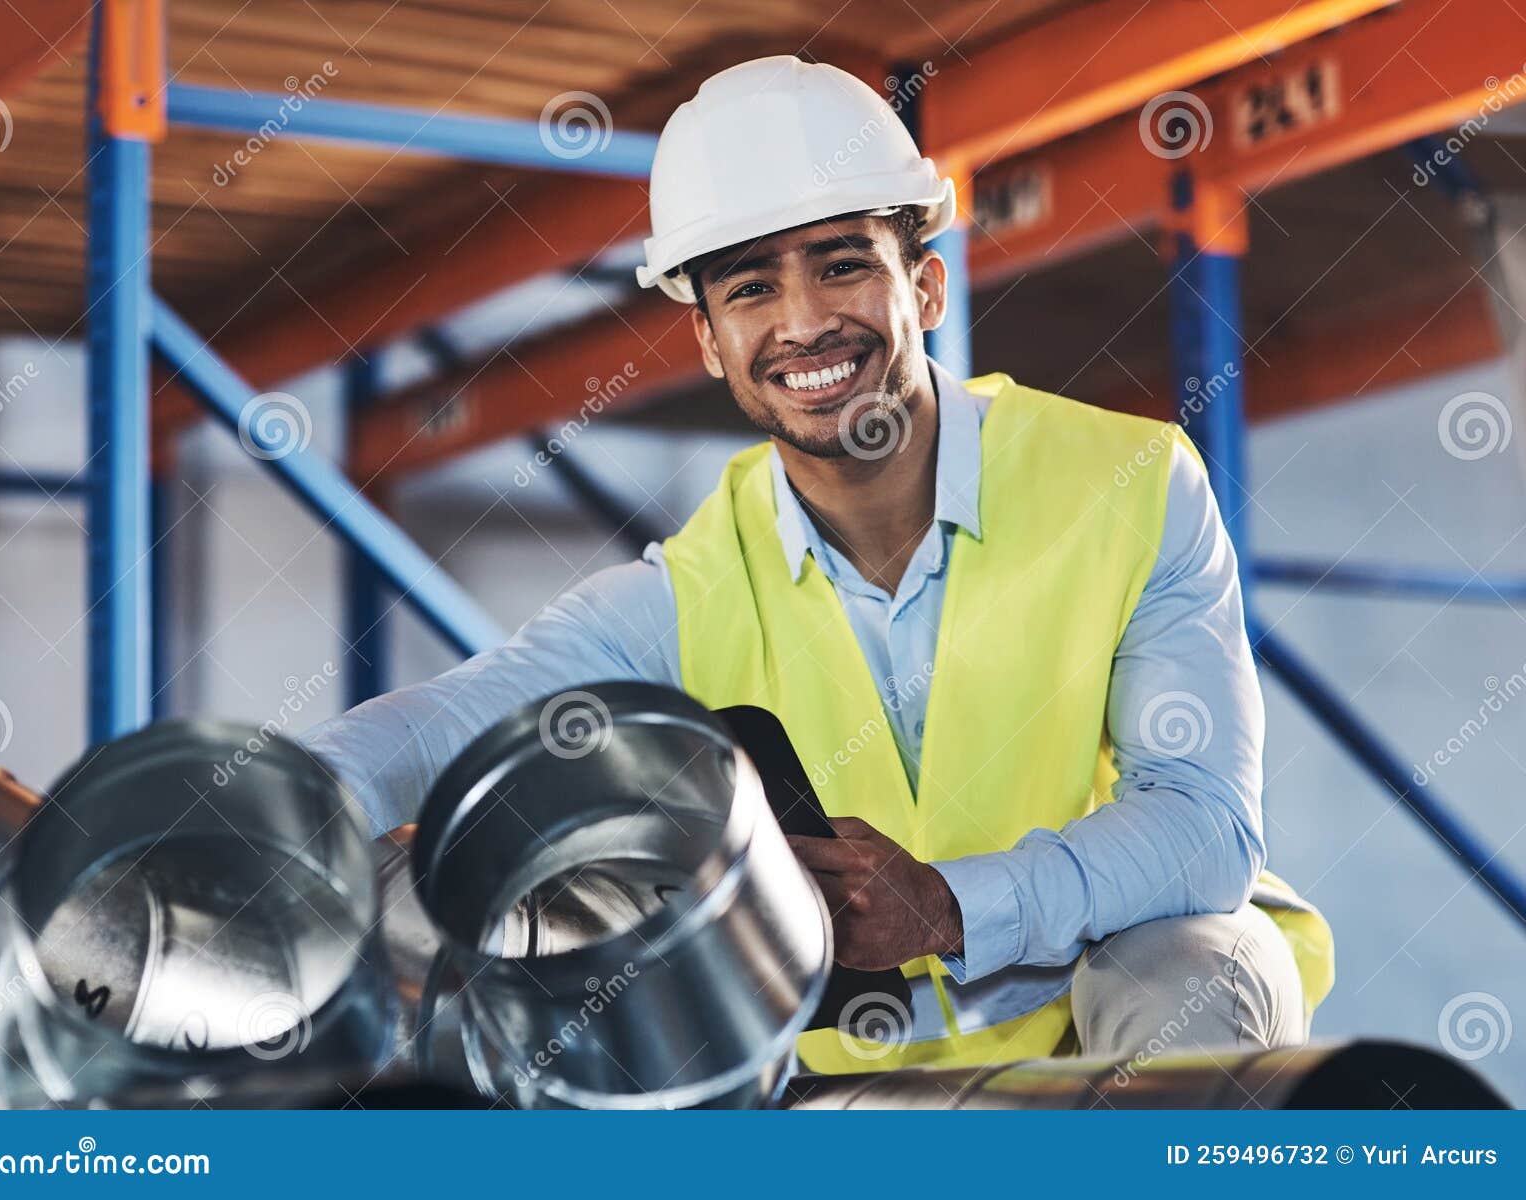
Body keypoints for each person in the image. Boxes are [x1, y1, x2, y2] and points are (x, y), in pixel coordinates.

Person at [300, 55, 1333, 1074]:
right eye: (751, 287)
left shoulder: (1130, 484)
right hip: (856, 1057)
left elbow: (1204, 827)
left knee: (1185, 972)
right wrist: (279, 806)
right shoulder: (689, 587)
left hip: (1099, 985)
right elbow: (457, 716)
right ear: (706, 340)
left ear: (922, 286)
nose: (802, 323)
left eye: (842, 265)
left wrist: (944, 904)